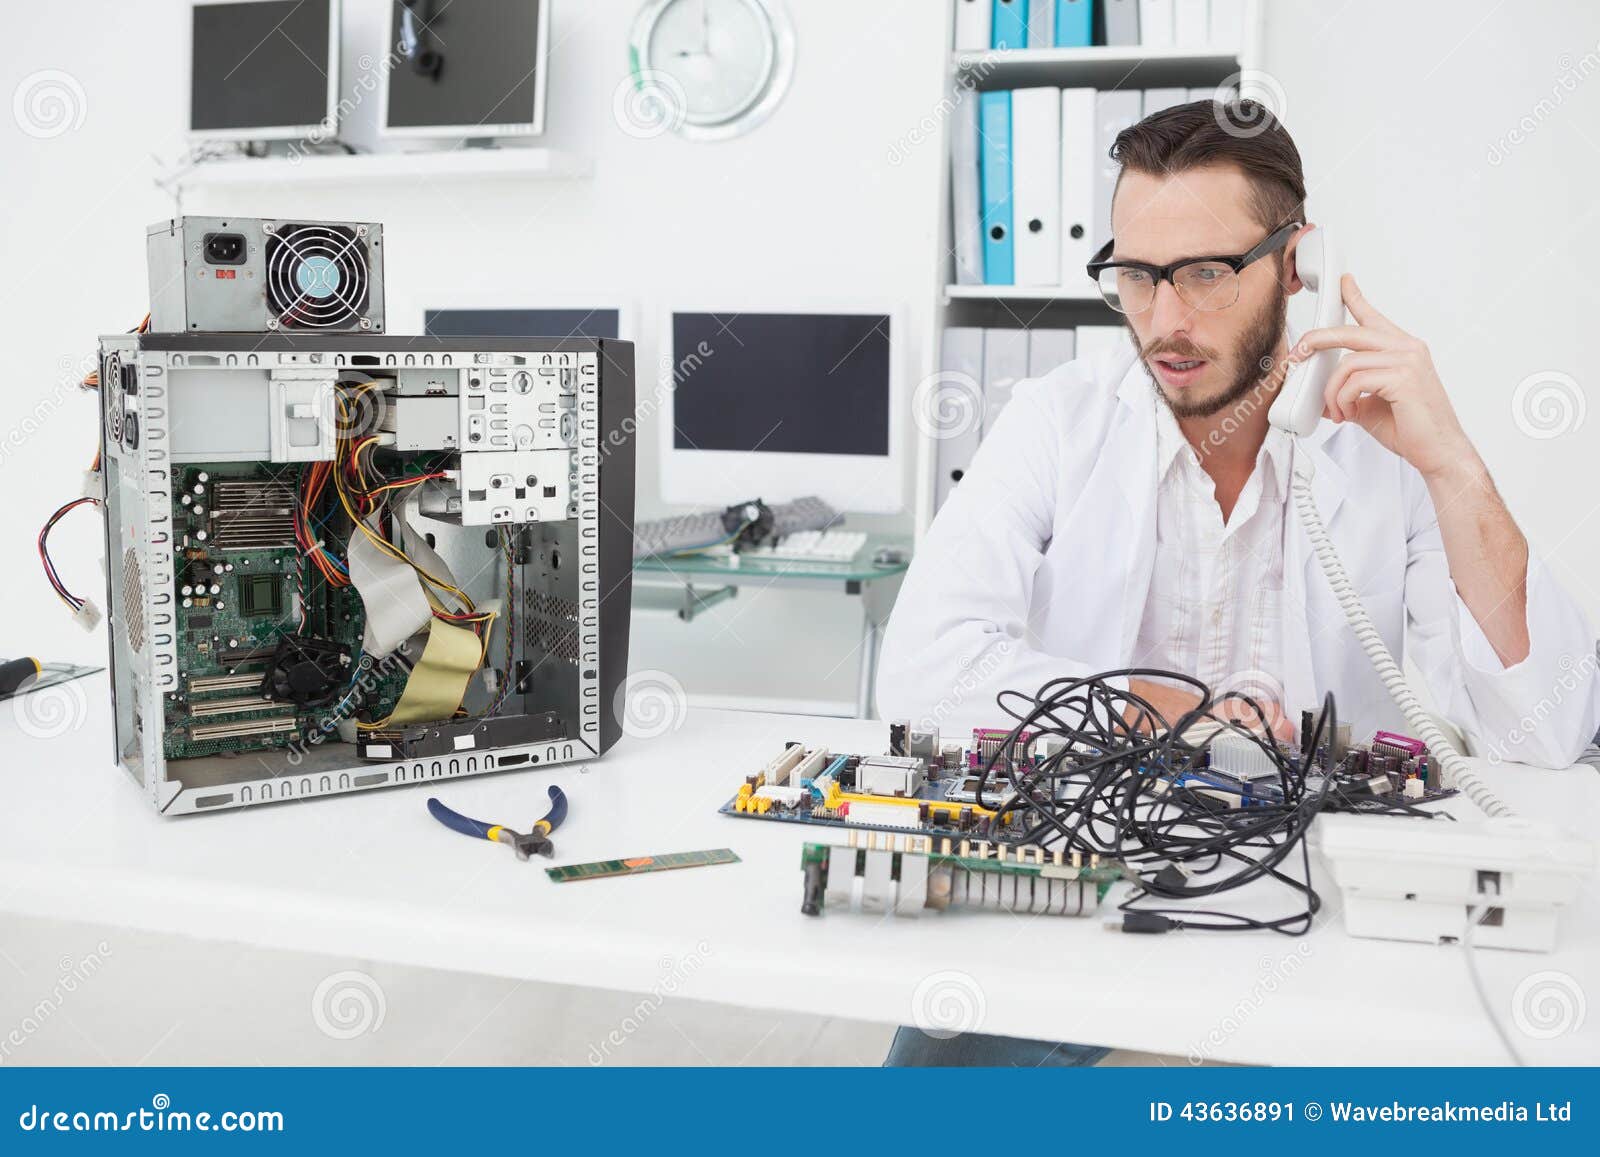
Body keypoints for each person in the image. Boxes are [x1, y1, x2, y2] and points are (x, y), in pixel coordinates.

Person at [875, 100, 1599, 1066]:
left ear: (1293, 263)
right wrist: (1176, 711)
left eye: (1208, 274)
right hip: (1089, 874)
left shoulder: (1384, 454)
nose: (1166, 321)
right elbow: (924, 669)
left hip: (1329, 896)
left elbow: (1542, 735)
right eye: (1137, 275)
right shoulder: (1057, 421)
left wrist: (1455, 466)